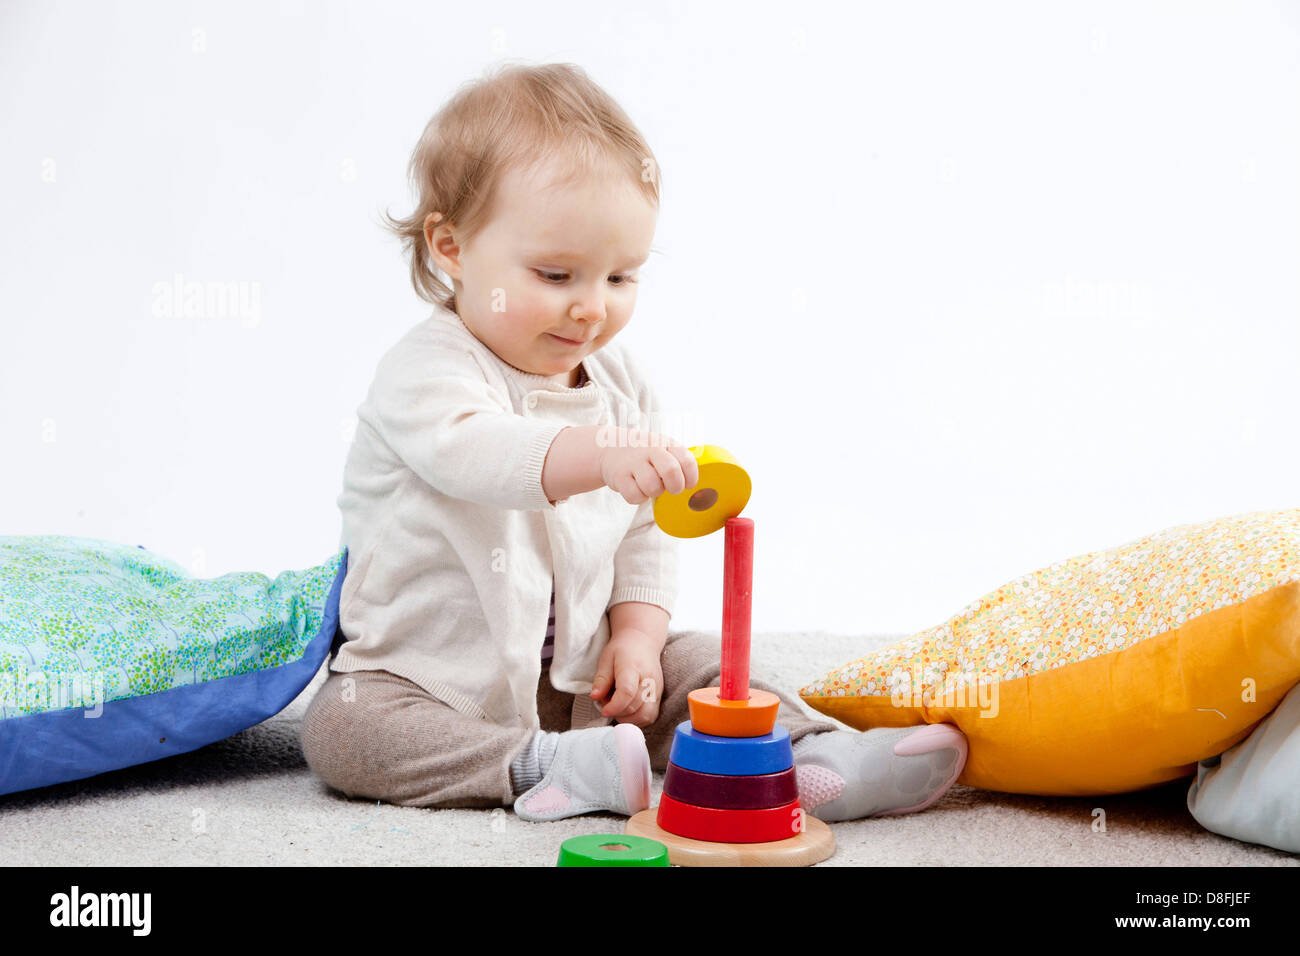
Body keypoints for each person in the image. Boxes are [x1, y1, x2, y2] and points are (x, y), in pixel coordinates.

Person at [300, 61, 968, 823]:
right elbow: (477, 453)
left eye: (621, 277)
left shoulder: (620, 382)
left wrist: (638, 637)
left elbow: (647, 528)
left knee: (709, 662)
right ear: (450, 248)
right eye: (557, 274)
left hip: (588, 676)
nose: (591, 309)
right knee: (342, 727)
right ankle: (543, 766)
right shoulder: (426, 371)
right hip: (436, 678)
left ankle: (811, 753)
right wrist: (599, 458)